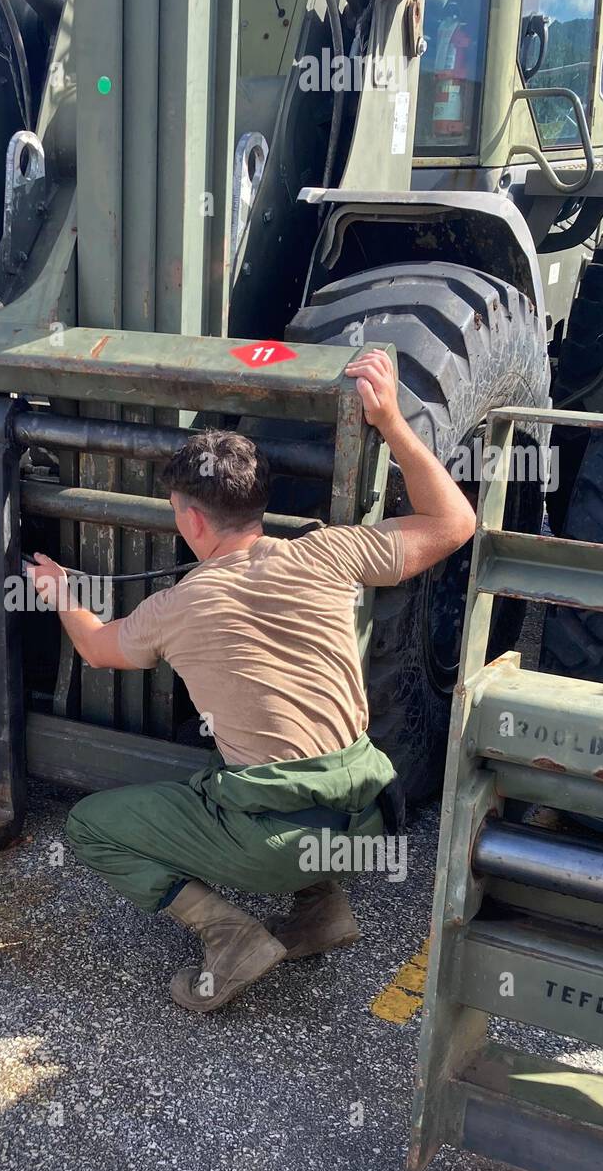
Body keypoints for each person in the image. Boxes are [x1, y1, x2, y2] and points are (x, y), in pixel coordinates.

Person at [29, 350, 476, 1013]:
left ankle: (232, 939)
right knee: (240, 763)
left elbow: (97, 648)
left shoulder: (177, 608)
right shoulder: (330, 552)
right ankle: (321, 914)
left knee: (92, 825)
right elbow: (454, 524)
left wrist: (63, 592)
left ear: (192, 519)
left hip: (280, 843)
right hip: (376, 814)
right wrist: (391, 421)